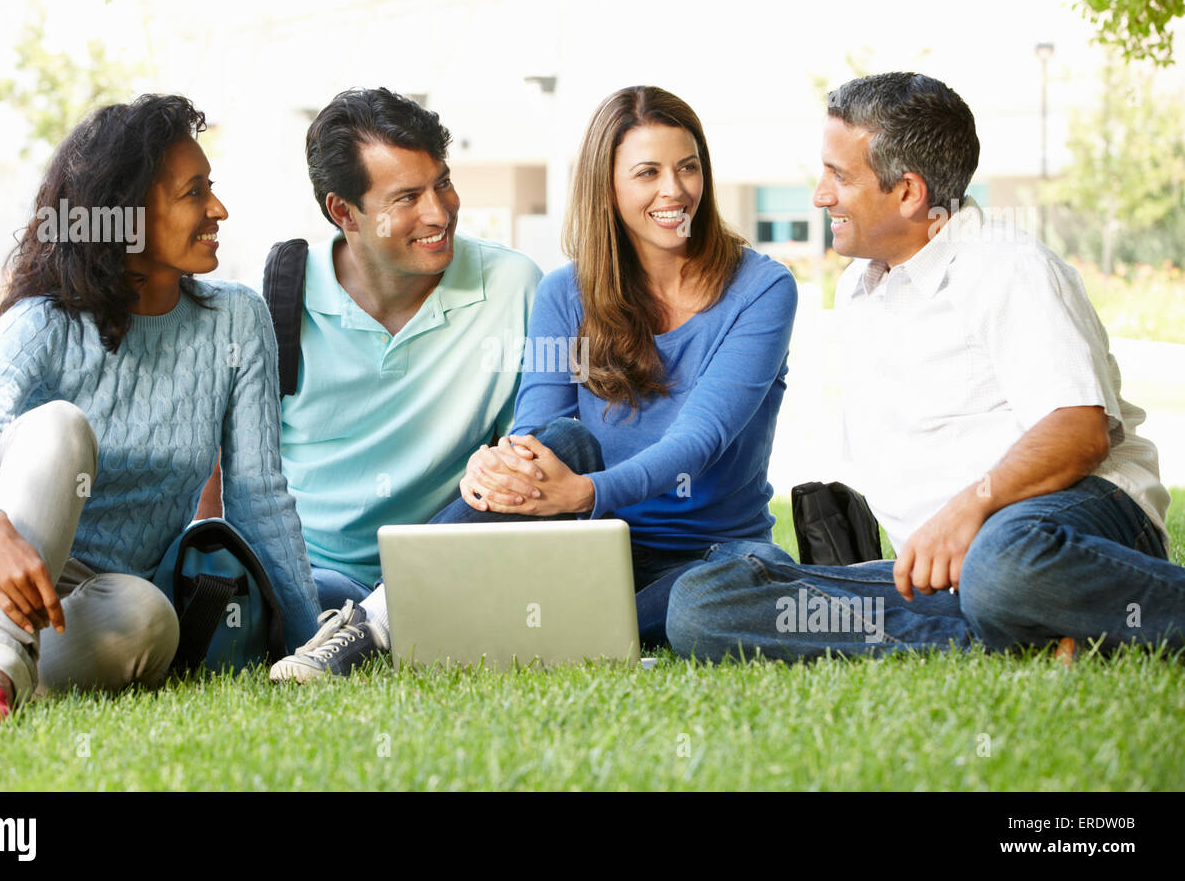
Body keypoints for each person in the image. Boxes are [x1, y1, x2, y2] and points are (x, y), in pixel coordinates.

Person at [270, 84, 798, 679]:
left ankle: (391, 619)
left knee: (695, 611)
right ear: (609, 187)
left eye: (688, 168)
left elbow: (699, 440)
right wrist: (498, 465)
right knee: (550, 441)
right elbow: (535, 430)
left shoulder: (762, 289)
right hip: (598, 552)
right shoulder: (565, 293)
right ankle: (375, 623)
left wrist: (585, 494)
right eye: (648, 172)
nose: (674, 190)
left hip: (714, 558)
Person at [665, 71, 1183, 660]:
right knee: (705, 604)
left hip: (1067, 525)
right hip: (945, 575)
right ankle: (1024, 635)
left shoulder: (1007, 267)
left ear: (909, 193)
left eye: (838, 175)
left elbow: (1080, 430)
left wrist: (973, 507)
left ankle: (1028, 612)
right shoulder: (860, 290)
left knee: (1002, 564)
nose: (820, 195)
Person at [0, 94, 320, 723]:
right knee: (62, 427)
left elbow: (259, 494)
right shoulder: (43, 323)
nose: (218, 210)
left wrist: (309, 645)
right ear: (127, 216)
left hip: (79, 602)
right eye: (194, 193)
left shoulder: (236, 319)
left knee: (152, 621)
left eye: (212, 188)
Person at [262, 88, 543, 682]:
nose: (439, 213)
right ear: (344, 212)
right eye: (408, 197)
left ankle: (376, 623)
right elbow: (230, 463)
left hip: (449, 562)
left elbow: (532, 451)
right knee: (299, 603)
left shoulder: (515, 286)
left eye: (442, 183)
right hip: (317, 575)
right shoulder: (278, 297)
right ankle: (355, 625)